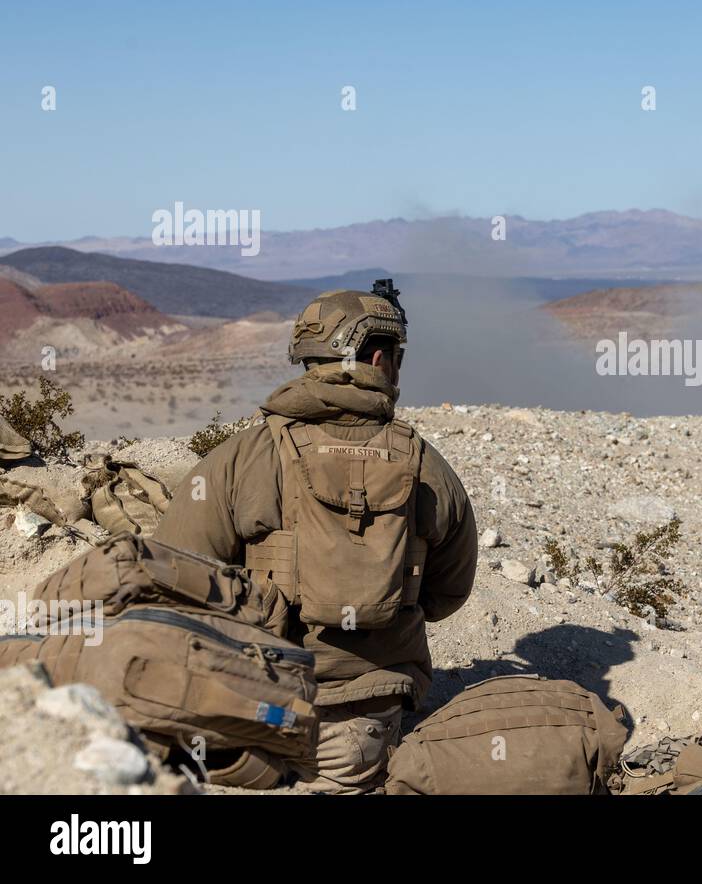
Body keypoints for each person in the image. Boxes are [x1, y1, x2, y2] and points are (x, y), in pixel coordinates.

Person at [155, 282, 477, 792]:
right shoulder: (427, 467)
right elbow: (448, 594)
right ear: (378, 357)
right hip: (361, 725)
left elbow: (176, 578)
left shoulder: (241, 457)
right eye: (397, 356)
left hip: (253, 715)